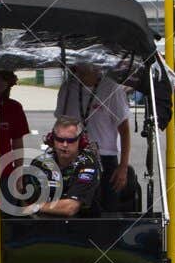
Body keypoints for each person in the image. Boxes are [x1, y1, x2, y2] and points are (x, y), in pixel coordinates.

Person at [55, 63, 133, 214]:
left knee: (105, 209)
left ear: (96, 67)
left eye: (83, 64)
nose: (77, 69)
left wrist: (123, 167)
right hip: (72, 156)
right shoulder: (67, 88)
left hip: (105, 157)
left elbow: (125, 131)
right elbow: (59, 122)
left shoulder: (112, 89)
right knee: (75, 207)